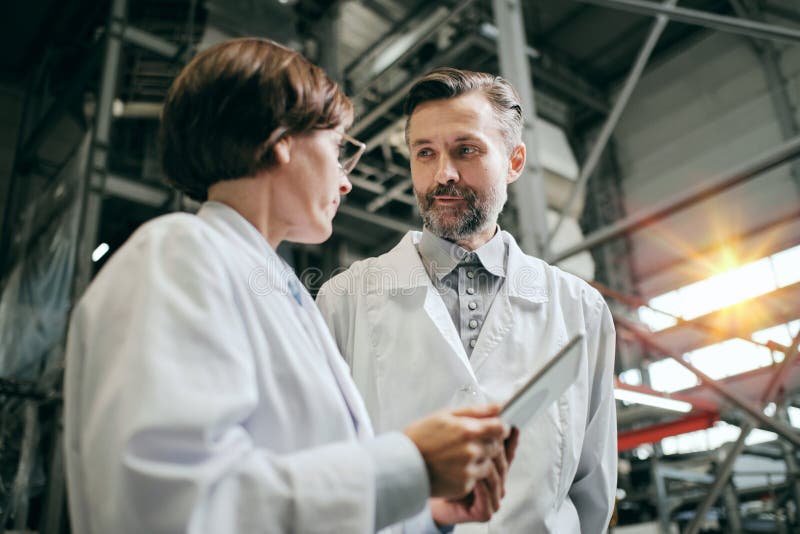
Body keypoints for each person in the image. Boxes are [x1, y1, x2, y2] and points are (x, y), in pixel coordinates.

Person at [63, 40, 518, 534]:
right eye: (338, 147)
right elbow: (170, 511)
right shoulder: (178, 255)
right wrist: (410, 466)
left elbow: (311, 498)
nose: (346, 182)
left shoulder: (277, 289)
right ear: (282, 141)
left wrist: (423, 513)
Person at [316, 67, 617, 533]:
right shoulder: (344, 300)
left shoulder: (581, 308)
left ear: (515, 162)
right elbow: (330, 475)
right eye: (425, 153)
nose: (443, 174)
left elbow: (592, 488)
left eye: (466, 150)